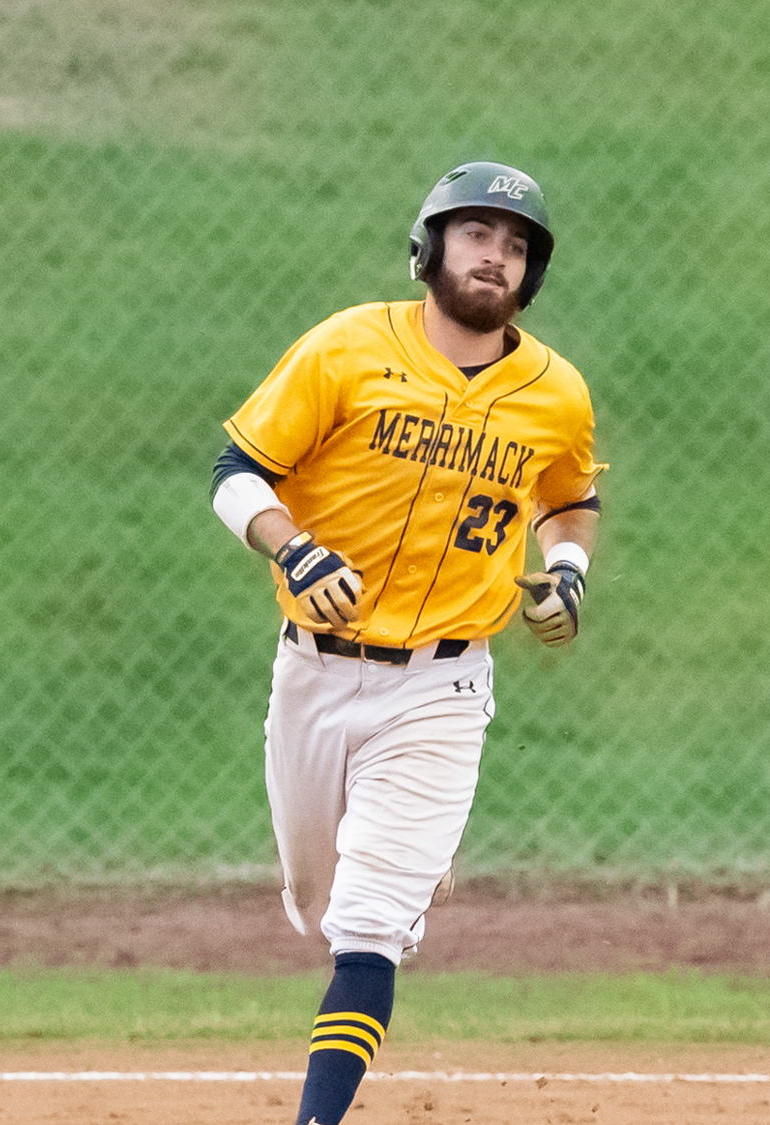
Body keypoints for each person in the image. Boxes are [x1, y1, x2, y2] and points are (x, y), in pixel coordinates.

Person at [209, 161, 604, 1125]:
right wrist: (292, 547)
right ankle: (405, 866)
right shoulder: (348, 347)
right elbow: (236, 473)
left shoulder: (554, 391)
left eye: (515, 247)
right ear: (430, 247)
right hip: (313, 670)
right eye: (477, 235)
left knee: (366, 928)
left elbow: (570, 498)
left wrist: (568, 575)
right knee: (316, 897)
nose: (495, 257)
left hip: (443, 684)